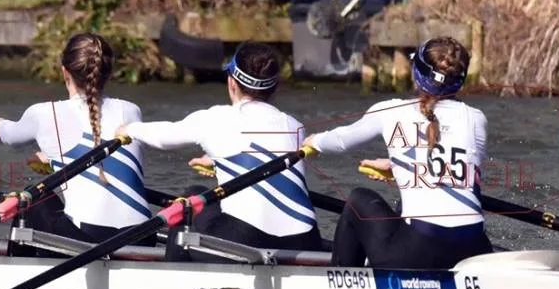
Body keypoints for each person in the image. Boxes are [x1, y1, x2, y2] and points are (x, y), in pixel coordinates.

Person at [115, 42, 324, 258]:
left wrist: (129, 129)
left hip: (246, 238)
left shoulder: (215, 118)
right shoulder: (295, 125)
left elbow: (163, 138)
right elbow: (266, 163)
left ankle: (173, 276)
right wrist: (218, 162)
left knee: (190, 199)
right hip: (305, 241)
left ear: (232, 83)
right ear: (275, 87)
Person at [302, 36, 494, 270]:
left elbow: (341, 141)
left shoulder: (390, 111)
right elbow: (459, 170)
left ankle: (341, 282)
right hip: (474, 249)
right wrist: (399, 167)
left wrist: (313, 142)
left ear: (417, 74)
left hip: (420, 251)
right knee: (406, 209)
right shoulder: (476, 119)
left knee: (358, 200)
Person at [0, 33, 151, 251]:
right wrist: (53, 160)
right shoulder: (131, 109)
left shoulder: (45, 113)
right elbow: (96, 146)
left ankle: (16, 269)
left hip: (88, 238)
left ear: (65, 72)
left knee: (32, 198)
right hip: (143, 236)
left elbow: (11, 136)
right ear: (108, 74)